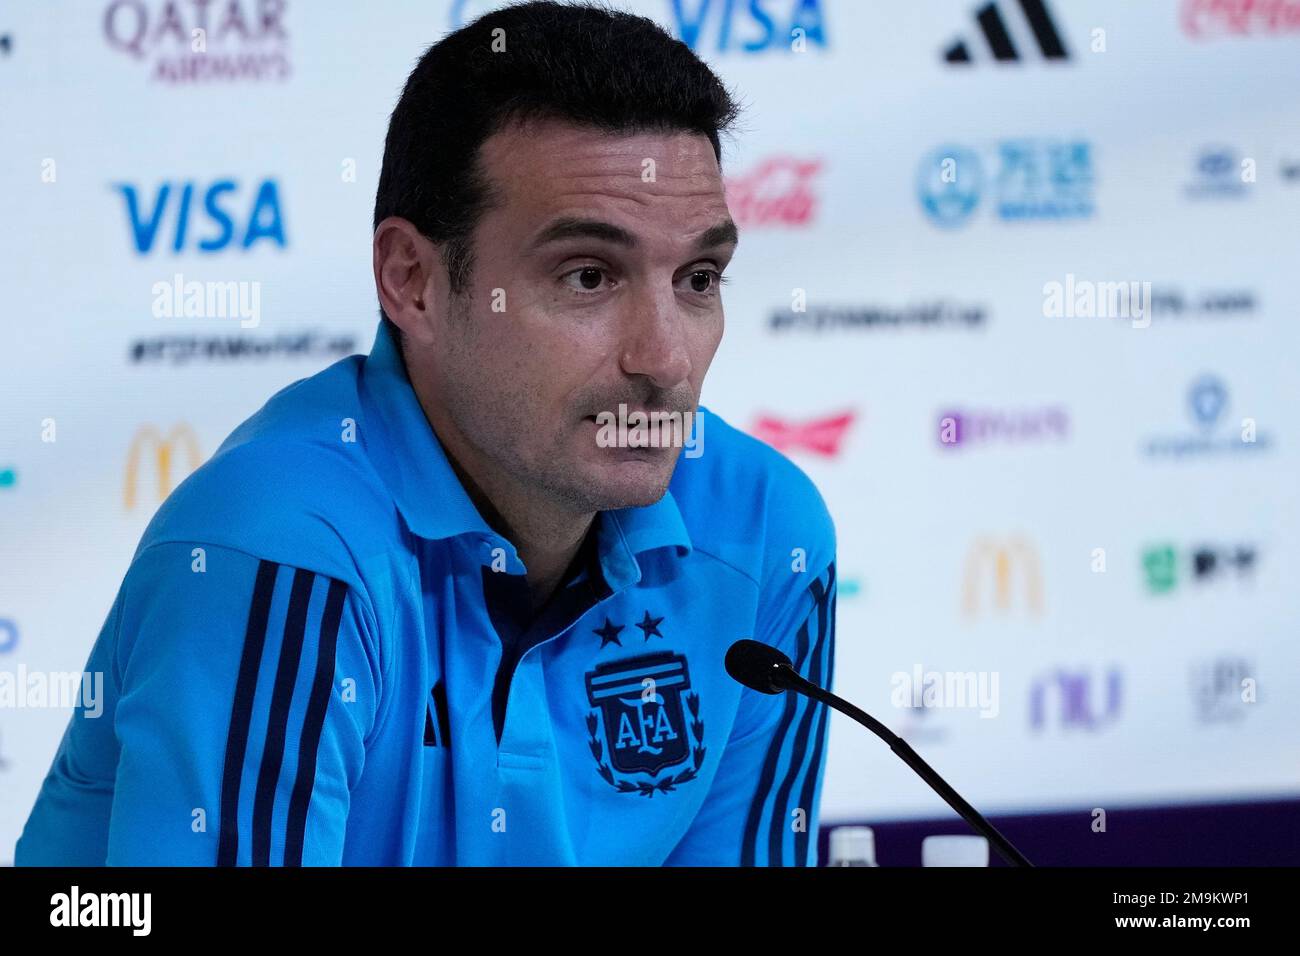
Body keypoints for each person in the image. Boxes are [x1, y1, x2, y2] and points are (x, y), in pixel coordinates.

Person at [15, 0, 836, 866]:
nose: (665, 357)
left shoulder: (762, 532)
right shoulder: (287, 545)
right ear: (411, 280)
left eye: (699, 278)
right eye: (589, 276)